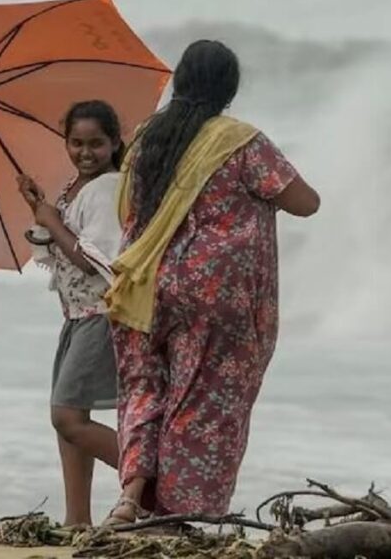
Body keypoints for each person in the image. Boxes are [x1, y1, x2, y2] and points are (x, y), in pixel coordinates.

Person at [101, 39, 320, 526]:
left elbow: (128, 209)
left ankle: (131, 499)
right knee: (200, 401)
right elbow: (306, 202)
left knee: (144, 391)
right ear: (228, 87)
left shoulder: (144, 138)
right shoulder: (239, 141)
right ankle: (176, 519)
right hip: (214, 294)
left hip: (143, 286)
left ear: (179, 80)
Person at [17, 100, 125, 528]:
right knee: (71, 421)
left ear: (115, 143)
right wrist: (40, 209)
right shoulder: (75, 188)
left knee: (65, 416)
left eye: (96, 143)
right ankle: (77, 519)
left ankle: (156, 481)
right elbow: (56, 251)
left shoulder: (109, 187)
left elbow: (93, 259)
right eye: (76, 142)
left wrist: (52, 221)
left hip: (101, 314)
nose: (85, 152)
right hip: (76, 316)